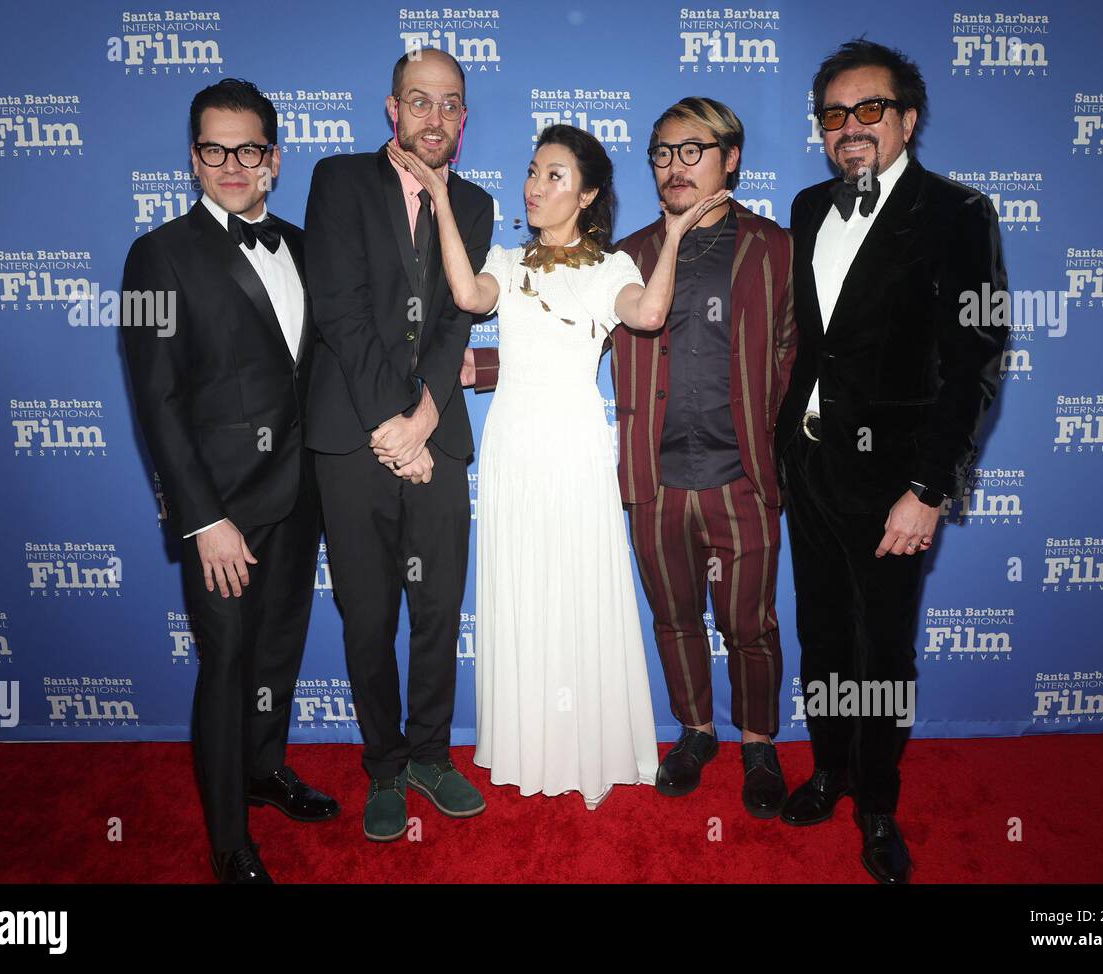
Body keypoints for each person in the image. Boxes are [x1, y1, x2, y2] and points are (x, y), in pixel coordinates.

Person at [468, 98, 798, 819]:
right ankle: (696, 732)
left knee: (752, 624)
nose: (675, 166)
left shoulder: (777, 249)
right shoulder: (634, 252)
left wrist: (784, 448)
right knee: (673, 617)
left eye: (693, 151)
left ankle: (761, 742)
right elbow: (568, 331)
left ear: (730, 159)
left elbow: (794, 358)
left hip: (741, 474)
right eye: (663, 153)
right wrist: (477, 371)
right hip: (650, 473)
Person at [392, 122, 726, 808]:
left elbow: (652, 314)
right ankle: (525, 745)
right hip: (513, 449)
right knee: (522, 589)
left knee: (577, 590)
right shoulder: (508, 263)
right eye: (533, 171)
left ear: (588, 194)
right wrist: (441, 197)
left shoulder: (613, 269)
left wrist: (673, 236)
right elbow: (466, 296)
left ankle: (585, 746)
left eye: (555, 176)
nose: (536, 186)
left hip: (575, 449)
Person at [776, 40, 1009, 883]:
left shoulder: (957, 213)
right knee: (823, 633)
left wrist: (927, 489)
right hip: (808, 466)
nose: (851, 127)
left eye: (869, 109)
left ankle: (877, 803)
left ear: (907, 119)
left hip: (894, 482)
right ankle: (831, 769)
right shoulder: (807, 208)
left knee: (884, 651)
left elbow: (976, 360)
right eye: (835, 114)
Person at [120, 78, 338, 884]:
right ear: (193, 158)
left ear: (274, 159)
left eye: (249, 149)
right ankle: (227, 841)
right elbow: (155, 401)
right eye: (214, 150)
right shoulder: (152, 256)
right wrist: (202, 518)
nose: (232, 165)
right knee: (227, 661)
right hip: (222, 514)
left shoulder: (308, 246)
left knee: (278, 650)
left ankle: (263, 769)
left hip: (300, 496)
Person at [301, 49, 493, 842]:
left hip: (435, 441)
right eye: (420, 101)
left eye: (450, 104)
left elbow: (458, 323)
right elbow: (340, 313)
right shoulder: (340, 181)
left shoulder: (475, 205)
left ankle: (429, 755)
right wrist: (393, 425)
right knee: (368, 613)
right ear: (392, 109)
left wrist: (422, 424)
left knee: (439, 610)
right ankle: (382, 765)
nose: (434, 118)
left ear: (464, 118)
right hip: (354, 440)